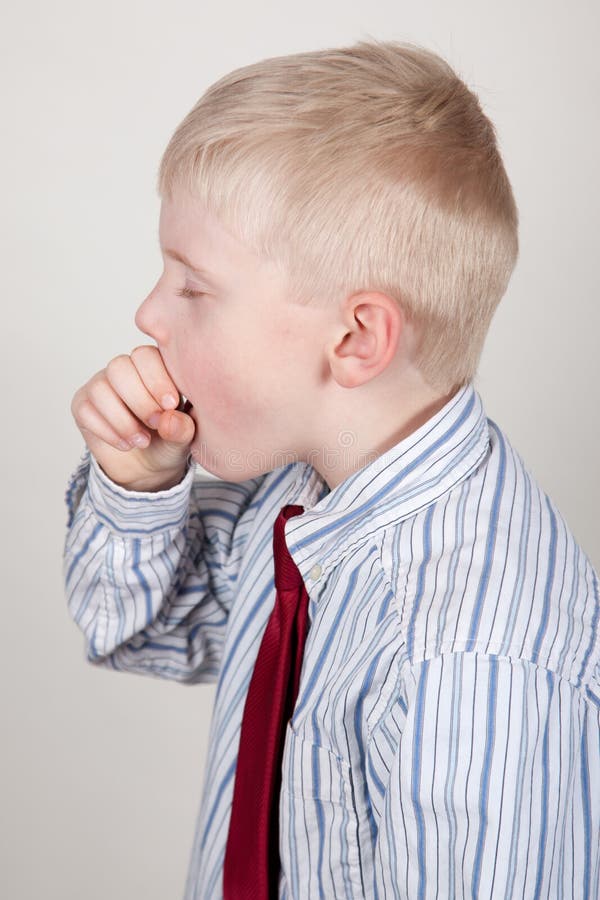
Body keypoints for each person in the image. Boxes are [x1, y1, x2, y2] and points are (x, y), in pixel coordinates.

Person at [63, 38, 599, 899]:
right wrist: (140, 484)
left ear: (354, 340)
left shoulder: (469, 663)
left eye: (194, 288)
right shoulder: (293, 491)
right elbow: (140, 631)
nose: (148, 313)